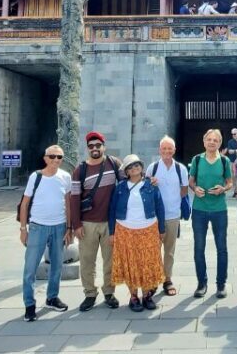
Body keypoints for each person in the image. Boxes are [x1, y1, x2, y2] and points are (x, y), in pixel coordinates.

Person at [19, 144, 72, 322]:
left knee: (57, 265)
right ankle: (29, 304)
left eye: (59, 157)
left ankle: (52, 297)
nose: (56, 160)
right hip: (38, 227)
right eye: (52, 156)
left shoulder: (65, 177)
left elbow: (68, 203)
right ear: (45, 158)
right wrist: (23, 229)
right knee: (30, 268)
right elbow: (25, 204)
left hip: (59, 226)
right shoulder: (36, 177)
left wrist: (69, 227)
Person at [71, 130, 122, 312]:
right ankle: (90, 294)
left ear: (103, 146)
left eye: (98, 145)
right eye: (91, 146)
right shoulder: (80, 170)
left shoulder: (114, 163)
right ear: (87, 148)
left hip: (110, 222)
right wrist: (75, 224)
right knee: (87, 260)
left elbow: (129, 183)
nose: (94, 148)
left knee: (110, 260)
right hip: (88, 223)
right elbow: (74, 198)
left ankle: (109, 292)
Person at [108, 154, 166, 311]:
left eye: (137, 165)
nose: (134, 168)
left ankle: (147, 295)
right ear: (126, 172)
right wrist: (112, 232)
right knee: (130, 263)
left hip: (148, 229)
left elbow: (160, 207)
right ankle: (133, 297)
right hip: (125, 229)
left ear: (142, 167)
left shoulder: (151, 185)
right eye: (130, 167)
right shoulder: (120, 187)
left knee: (146, 262)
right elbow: (112, 209)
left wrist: (161, 230)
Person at [189, 128, 233, 298]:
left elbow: (230, 183)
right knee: (199, 247)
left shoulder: (224, 161)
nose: (212, 142)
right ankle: (201, 283)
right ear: (204, 141)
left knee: (221, 248)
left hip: (219, 210)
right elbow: (191, 181)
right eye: (209, 139)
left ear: (220, 143)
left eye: (216, 140)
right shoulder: (197, 160)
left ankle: (221, 284)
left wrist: (223, 188)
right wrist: (195, 188)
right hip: (199, 209)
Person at [147, 135, 189, 297]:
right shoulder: (153, 168)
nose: (166, 151)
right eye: (164, 148)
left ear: (174, 150)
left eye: (169, 148)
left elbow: (184, 189)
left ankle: (167, 279)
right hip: (155, 216)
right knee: (154, 249)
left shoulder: (181, 169)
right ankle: (154, 279)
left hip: (173, 214)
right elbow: (146, 188)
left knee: (169, 250)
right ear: (160, 150)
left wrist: (174, 200)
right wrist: (152, 184)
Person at [224, 128, 237, 197]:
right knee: (233, 177)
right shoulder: (230, 142)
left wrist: (234, 151)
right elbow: (229, 151)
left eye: (234, 134)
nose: (233, 135)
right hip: (232, 161)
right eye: (232, 134)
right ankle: (236, 191)